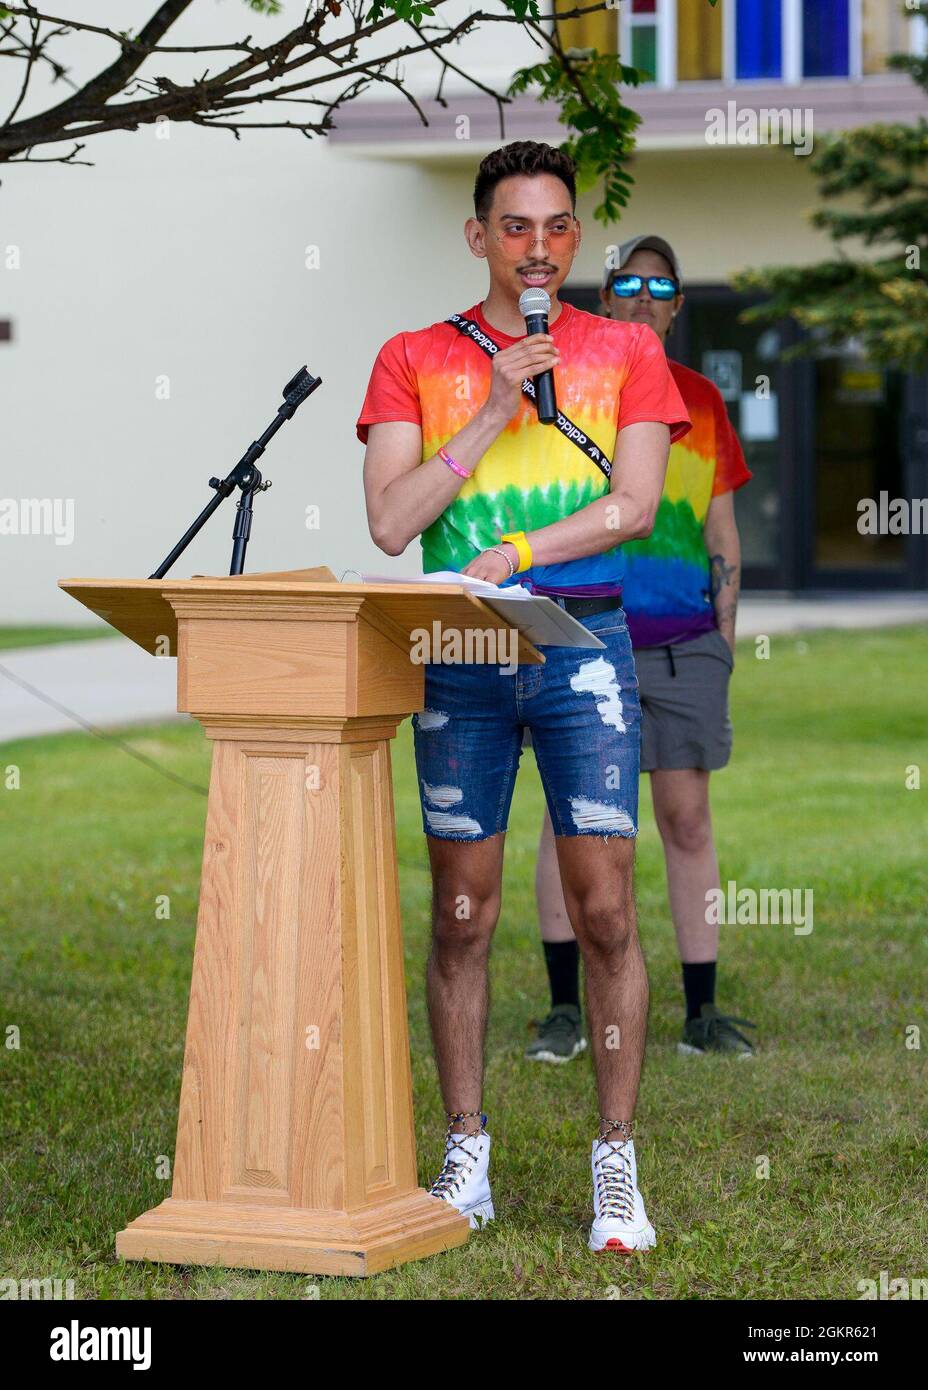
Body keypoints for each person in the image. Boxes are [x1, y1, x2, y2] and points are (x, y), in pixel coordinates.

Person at [357, 144, 689, 1252]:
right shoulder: (410, 355)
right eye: (514, 226)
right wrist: (494, 409)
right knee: (464, 913)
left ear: (574, 236)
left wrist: (515, 545)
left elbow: (634, 506)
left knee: (604, 910)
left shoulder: (624, 349)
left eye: (555, 227)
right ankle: (467, 1149)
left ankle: (614, 1161)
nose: (537, 248)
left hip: (585, 645)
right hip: (457, 647)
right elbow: (394, 523)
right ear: (477, 235)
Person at [527, 234, 756, 1067]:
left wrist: (723, 638)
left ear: (677, 302)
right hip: (587, 633)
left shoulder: (703, 402)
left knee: (686, 820)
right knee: (569, 820)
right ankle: (564, 1011)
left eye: (662, 284)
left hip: (683, 648)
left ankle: (702, 1012)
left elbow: (720, 525)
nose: (645, 294)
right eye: (629, 280)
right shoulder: (578, 387)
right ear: (608, 291)